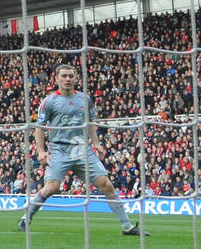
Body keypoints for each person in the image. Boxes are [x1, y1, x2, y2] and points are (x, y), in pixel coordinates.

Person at [17, 63, 146, 236]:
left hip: (82, 150)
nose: (67, 79)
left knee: (106, 184)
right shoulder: (49, 101)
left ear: (76, 78)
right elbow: (39, 127)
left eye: (70, 76)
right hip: (59, 150)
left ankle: (127, 226)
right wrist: (40, 151)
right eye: (63, 76)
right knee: (51, 188)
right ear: (56, 79)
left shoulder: (85, 99)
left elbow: (90, 123)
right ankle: (26, 218)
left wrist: (96, 142)